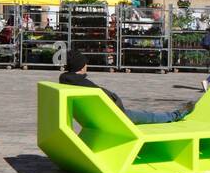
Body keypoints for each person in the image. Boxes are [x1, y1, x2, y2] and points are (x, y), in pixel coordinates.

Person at [61, 53, 195, 124]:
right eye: (85, 64)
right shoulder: (84, 84)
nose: (87, 66)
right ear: (81, 66)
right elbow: (108, 98)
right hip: (115, 117)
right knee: (150, 116)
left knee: (144, 114)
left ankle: (173, 115)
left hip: (99, 118)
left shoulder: (67, 81)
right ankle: (175, 115)